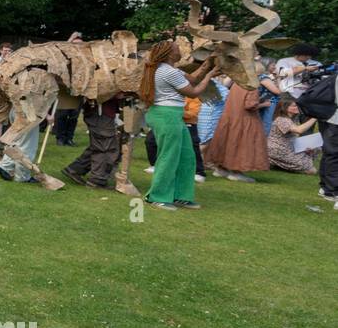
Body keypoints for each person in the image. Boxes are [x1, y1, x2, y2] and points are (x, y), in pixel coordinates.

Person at [140, 41, 219, 211]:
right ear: (169, 54)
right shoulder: (168, 71)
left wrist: (208, 65)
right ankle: (156, 196)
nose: (180, 51)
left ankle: (180, 196)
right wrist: (209, 77)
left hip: (171, 115)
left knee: (187, 156)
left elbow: (192, 77)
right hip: (166, 115)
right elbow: (194, 91)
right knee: (168, 156)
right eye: (177, 49)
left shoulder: (168, 69)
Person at [203, 82, 269, 182]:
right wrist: (264, 104)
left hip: (230, 117)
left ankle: (221, 169)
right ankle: (236, 172)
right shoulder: (251, 86)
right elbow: (249, 105)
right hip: (244, 119)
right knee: (242, 145)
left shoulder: (236, 84)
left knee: (229, 142)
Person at [60, 96, 121, 189]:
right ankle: (97, 180)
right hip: (100, 112)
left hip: (100, 111)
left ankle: (76, 169)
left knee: (100, 145)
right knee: (105, 147)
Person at [267, 98, 319, 174]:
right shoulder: (282, 119)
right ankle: (278, 163)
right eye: (294, 106)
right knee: (311, 171)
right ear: (285, 108)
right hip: (279, 150)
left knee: (316, 148)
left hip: (289, 147)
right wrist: (314, 118)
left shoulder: (292, 119)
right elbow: (299, 130)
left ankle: (282, 164)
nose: (297, 107)